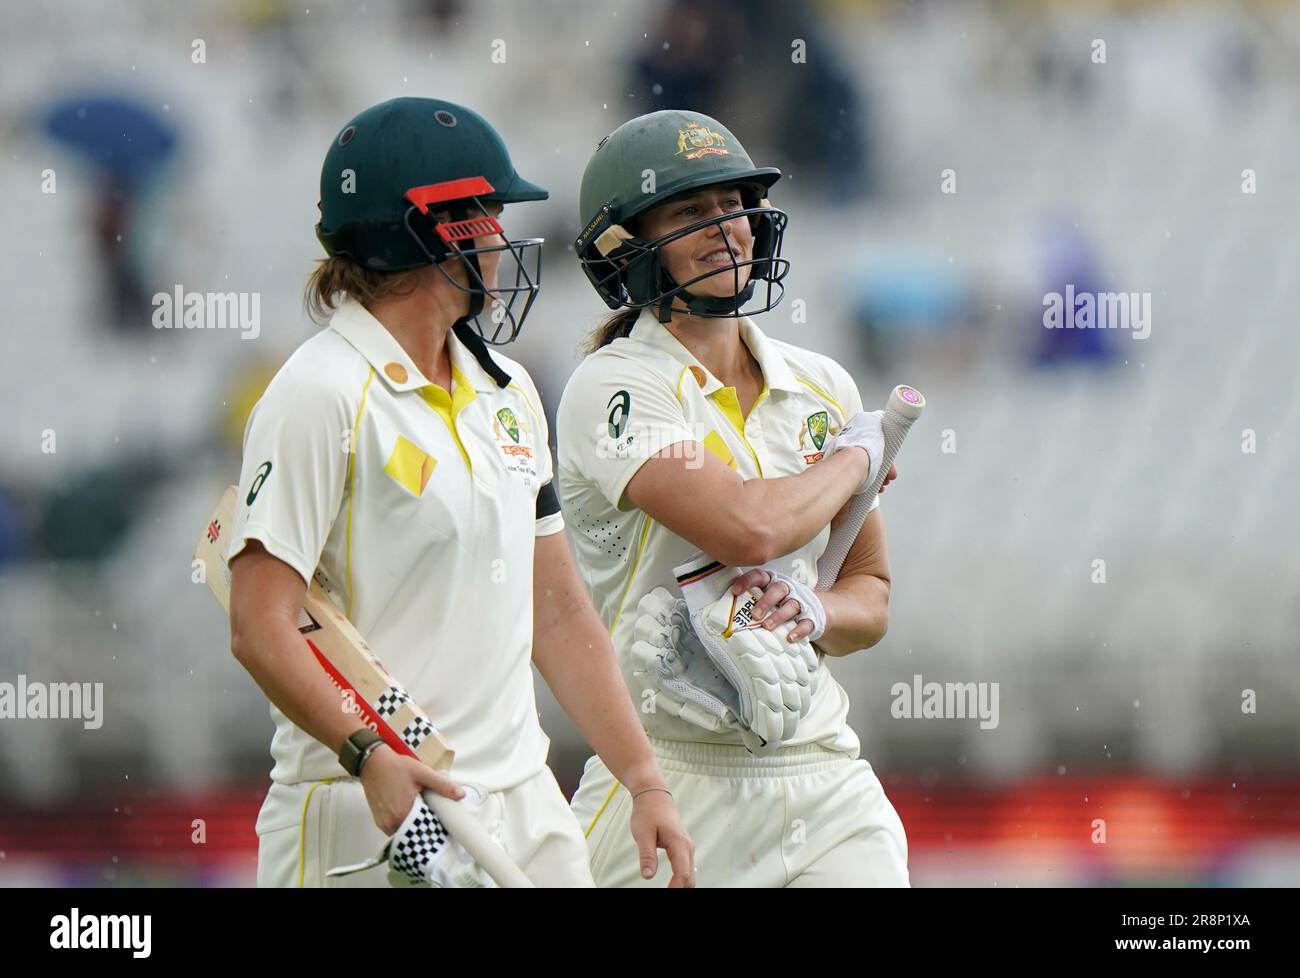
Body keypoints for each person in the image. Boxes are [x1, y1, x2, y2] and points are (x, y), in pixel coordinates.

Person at [225, 97, 692, 887]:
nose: (504, 240)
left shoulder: (507, 389)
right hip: (371, 814)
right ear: (429, 227)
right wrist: (368, 755)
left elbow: (558, 609)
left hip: (524, 810)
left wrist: (644, 779)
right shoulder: (321, 393)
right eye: (487, 213)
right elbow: (259, 623)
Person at [559, 110, 909, 887]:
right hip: (666, 774)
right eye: (691, 212)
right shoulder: (612, 388)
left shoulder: (823, 385)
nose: (728, 229)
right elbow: (746, 527)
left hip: (824, 774)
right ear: (627, 247)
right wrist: (855, 457)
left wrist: (818, 613)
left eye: (734, 206)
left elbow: (871, 595)